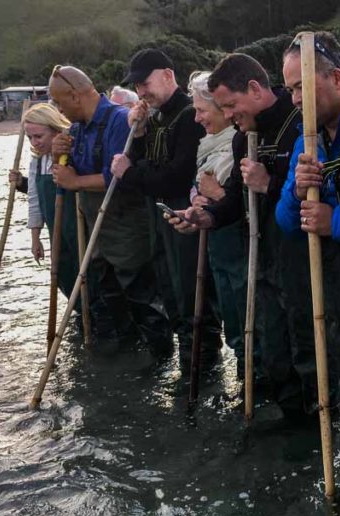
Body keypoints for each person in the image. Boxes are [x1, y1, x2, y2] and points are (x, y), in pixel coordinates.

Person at [171, 53, 308, 421]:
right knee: (274, 352)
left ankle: (307, 434)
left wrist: (269, 184)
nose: (229, 116)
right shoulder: (242, 138)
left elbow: (313, 195)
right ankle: (287, 428)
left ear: (254, 89)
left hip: (300, 263)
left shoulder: (299, 125)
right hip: (261, 260)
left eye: (231, 105)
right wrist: (206, 216)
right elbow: (234, 197)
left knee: (305, 357)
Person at [276, 31, 340, 460]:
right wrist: (298, 193)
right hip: (334, 297)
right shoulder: (307, 139)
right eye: (290, 90)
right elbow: (285, 221)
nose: (295, 100)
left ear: (336, 77)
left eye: (301, 87)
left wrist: (336, 221)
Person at [48, 65, 172, 356]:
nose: (59, 109)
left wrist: (76, 181)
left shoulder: (118, 121)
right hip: (98, 230)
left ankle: (160, 360)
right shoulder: (77, 129)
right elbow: (66, 174)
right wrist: (58, 154)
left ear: (76, 96)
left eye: (60, 102)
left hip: (128, 226)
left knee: (143, 298)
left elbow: (118, 175)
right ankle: (128, 356)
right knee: (111, 295)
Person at [111, 49, 222, 374]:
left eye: (145, 83)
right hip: (162, 217)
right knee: (170, 291)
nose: (142, 92)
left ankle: (202, 366)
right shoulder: (156, 118)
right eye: (138, 86)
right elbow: (148, 164)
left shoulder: (190, 115)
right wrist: (141, 134)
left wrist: (131, 173)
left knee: (191, 294)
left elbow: (176, 174)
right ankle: (188, 362)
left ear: (167, 75)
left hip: (187, 215)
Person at [186, 70, 248, 378]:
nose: (196, 118)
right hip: (219, 250)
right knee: (232, 324)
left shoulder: (241, 143)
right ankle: (242, 382)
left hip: (241, 250)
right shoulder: (209, 146)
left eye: (201, 110)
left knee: (247, 326)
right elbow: (200, 188)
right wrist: (195, 204)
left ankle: (253, 386)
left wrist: (215, 195)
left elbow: (243, 203)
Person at [9, 103, 79, 301]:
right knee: (63, 274)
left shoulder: (73, 155)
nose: (34, 142)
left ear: (56, 130)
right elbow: (34, 200)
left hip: (77, 227)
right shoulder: (37, 162)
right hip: (55, 231)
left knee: (86, 272)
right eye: (30, 137)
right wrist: (35, 238)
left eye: (39, 136)